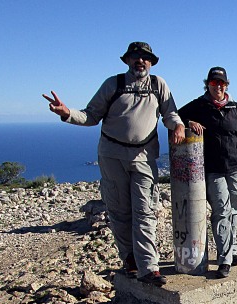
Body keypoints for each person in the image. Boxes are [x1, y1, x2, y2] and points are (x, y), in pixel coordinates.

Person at [43, 42, 186, 286]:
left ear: (151, 62)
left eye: (145, 57)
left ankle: (149, 268)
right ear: (127, 60)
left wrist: (179, 125)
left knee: (145, 211)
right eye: (135, 56)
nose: (140, 61)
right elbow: (91, 115)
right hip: (112, 156)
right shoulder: (113, 84)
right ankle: (130, 260)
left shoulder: (158, 84)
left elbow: (169, 113)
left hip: (143, 157)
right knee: (119, 211)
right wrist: (67, 113)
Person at [178, 67, 237, 278]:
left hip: (236, 167)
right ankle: (225, 259)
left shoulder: (235, 108)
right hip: (213, 169)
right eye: (214, 83)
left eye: (222, 83)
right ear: (207, 85)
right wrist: (189, 122)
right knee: (221, 211)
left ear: (226, 86)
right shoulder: (199, 106)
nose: (218, 87)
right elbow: (174, 116)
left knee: (234, 210)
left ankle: (232, 250)